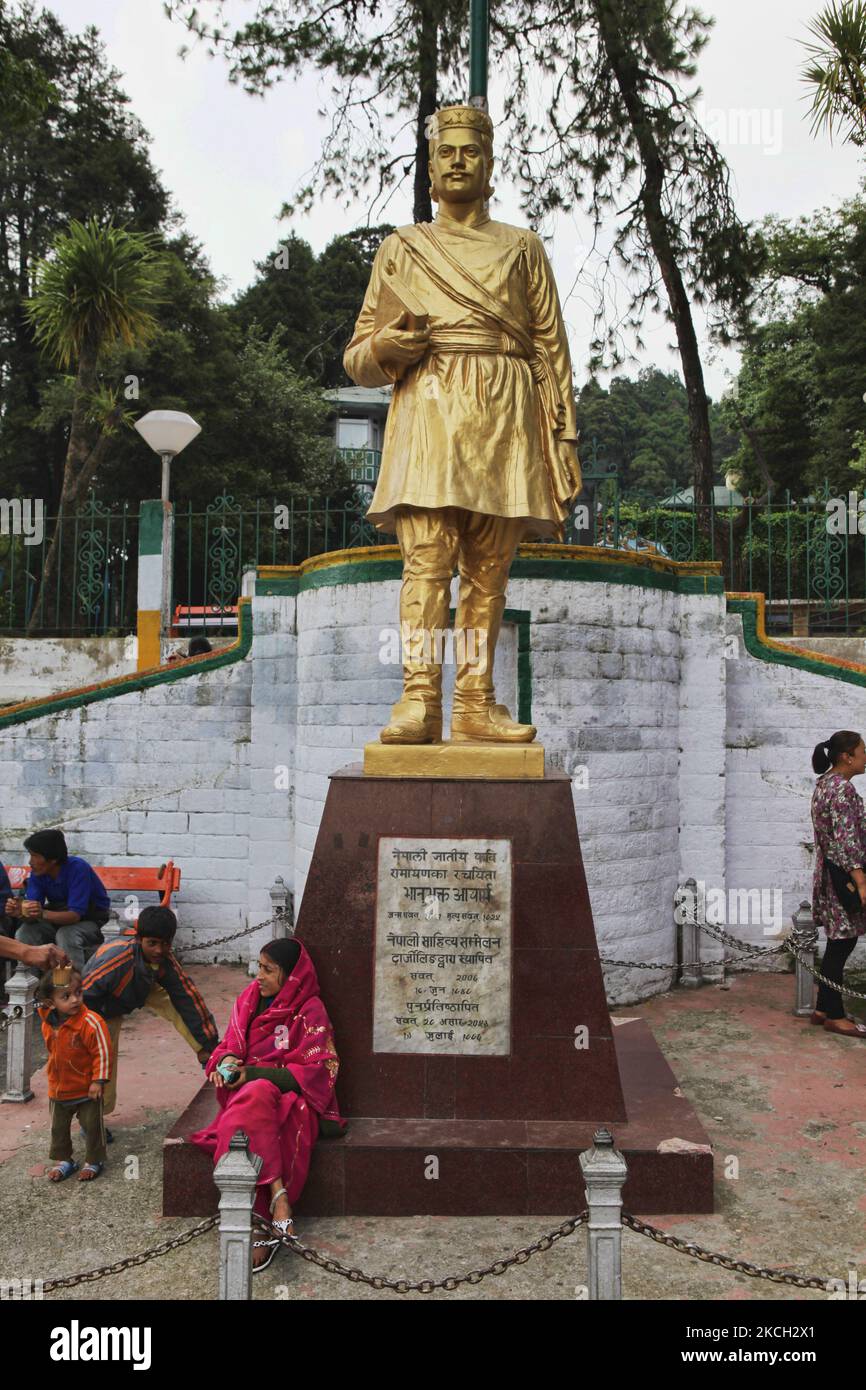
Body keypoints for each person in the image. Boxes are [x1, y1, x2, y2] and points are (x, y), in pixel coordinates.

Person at [344, 104, 581, 745]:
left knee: (489, 570)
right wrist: (387, 348)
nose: (456, 162)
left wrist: (563, 434)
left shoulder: (522, 247)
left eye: (469, 151)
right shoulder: (402, 249)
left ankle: (475, 702)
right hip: (427, 410)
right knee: (426, 562)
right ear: (429, 168)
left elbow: (550, 347)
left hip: (506, 412)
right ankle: (419, 698)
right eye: (445, 152)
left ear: (489, 163)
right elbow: (358, 357)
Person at [189, 938, 344, 1272]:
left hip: (290, 1094)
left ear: (291, 977)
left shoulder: (310, 1010)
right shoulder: (249, 999)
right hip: (246, 1091)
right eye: (259, 967)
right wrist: (226, 1063)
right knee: (254, 1097)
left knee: (263, 1105)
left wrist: (256, 1074)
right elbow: (229, 1046)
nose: (258, 976)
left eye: (268, 970)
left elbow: (319, 1070)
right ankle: (277, 1196)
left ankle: (257, 1218)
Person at [82, 905, 218, 1117]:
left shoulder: (165, 961)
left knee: (176, 1003)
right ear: (139, 939)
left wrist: (211, 1042)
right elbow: (85, 993)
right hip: (102, 1005)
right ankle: (94, 1117)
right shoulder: (116, 960)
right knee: (104, 1058)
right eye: (152, 943)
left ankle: (207, 1054)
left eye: (165, 944)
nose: (159, 950)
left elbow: (188, 997)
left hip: (141, 986)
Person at [810, 730, 866, 1037]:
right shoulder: (842, 789)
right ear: (847, 757)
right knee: (842, 942)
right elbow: (847, 841)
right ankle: (835, 1015)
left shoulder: (825, 784)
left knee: (837, 941)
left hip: (829, 872)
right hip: (842, 876)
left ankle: (822, 1008)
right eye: (863, 751)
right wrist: (861, 881)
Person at [36, 965, 113, 1182]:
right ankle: (65, 1161)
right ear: (51, 1003)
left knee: (92, 1127)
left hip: (87, 1089)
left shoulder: (91, 1022)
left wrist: (98, 1081)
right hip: (58, 1089)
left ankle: (94, 1160)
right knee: (58, 1129)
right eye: (66, 996)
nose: (75, 1000)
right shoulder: (48, 1022)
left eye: (78, 992)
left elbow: (103, 1053)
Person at [7, 830, 111, 971]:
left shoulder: (78, 868)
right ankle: (30, 982)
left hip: (93, 921)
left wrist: (42, 913)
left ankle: (72, 982)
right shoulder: (38, 873)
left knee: (66, 934)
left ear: (53, 859)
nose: (30, 862)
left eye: (35, 856)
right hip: (58, 920)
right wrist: (20, 912)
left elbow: (74, 916)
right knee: (25, 932)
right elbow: (32, 914)